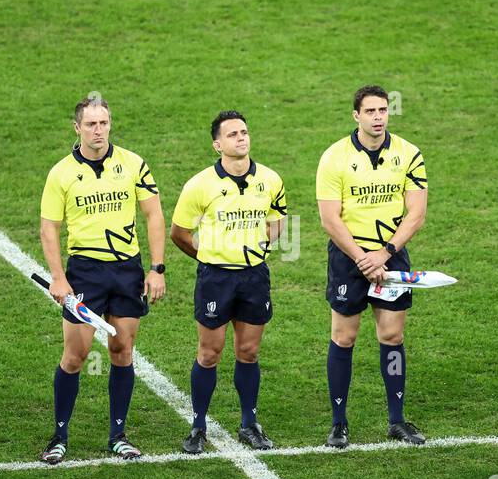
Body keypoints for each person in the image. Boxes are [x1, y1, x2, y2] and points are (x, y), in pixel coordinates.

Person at [38, 95, 167, 463]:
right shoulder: (61, 173)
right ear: (77, 127)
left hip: (127, 271)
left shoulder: (133, 164)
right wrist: (59, 278)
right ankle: (59, 437)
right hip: (86, 274)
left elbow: (154, 216)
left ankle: (118, 435)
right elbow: (49, 229)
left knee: (122, 351)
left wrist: (156, 268)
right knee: (75, 356)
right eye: (91, 124)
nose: (99, 130)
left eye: (104, 123)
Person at [315, 85, 429, 449]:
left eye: (383, 111)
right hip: (349, 260)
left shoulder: (409, 154)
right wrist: (363, 258)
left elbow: (417, 213)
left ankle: (396, 420)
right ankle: (338, 423)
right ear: (356, 116)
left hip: (391, 256)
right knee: (343, 337)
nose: (378, 118)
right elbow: (329, 218)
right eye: (371, 112)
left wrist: (385, 253)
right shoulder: (334, 157)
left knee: (392, 336)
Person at [170, 111, 288, 454]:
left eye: (244, 132)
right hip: (215, 278)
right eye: (233, 134)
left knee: (248, 352)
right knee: (209, 353)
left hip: (254, 276)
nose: (241, 138)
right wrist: (208, 256)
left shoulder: (271, 180)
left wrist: (262, 244)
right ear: (217, 144)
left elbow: (277, 221)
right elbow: (179, 233)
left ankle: (249, 423)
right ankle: (198, 426)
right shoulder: (199, 185)